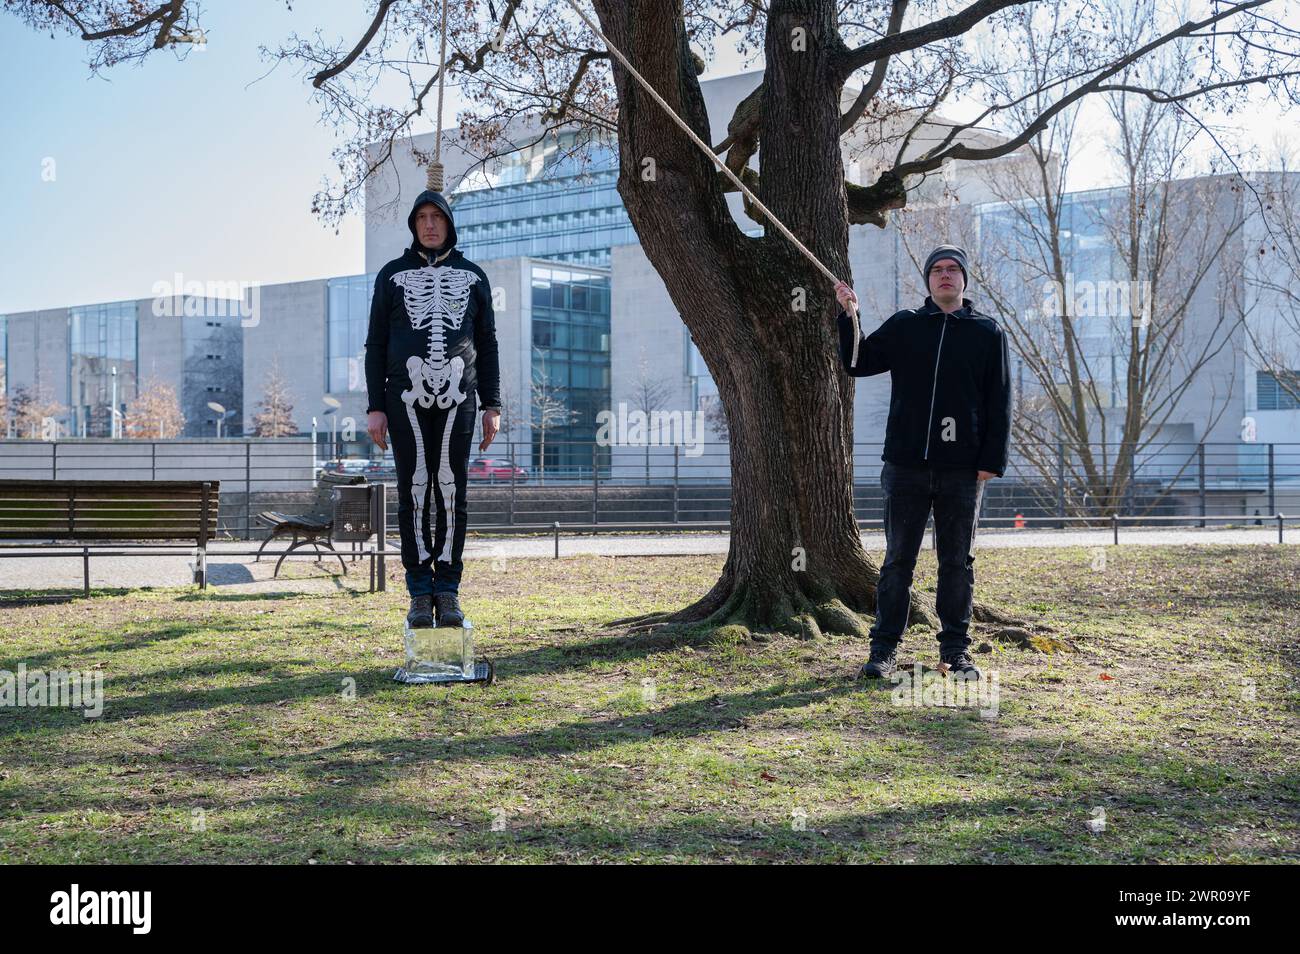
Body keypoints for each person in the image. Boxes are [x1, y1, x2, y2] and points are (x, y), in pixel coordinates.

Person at [834, 244, 1011, 680]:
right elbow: (857, 362)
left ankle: (955, 651)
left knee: (957, 562)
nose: (945, 275)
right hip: (905, 465)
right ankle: (883, 652)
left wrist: (991, 461)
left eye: (953, 270)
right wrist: (848, 315)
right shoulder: (906, 326)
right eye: (937, 270)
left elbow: (1000, 401)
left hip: (963, 470)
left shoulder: (987, 332)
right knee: (898, 561)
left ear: (965, 279)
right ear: (928, 280)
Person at [364, 188, 502, 629]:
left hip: (460, 396)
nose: (429, 224)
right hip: (403, 397)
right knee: (413, 491)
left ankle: (449, 589)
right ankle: (420, 593)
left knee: (452, 490)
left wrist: (492, 403)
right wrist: (374, 406)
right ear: (413, 224)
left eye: (436, 217)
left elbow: (488, 344)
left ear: (448, 224)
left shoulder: (473, 277)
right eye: (421, 217)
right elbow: (376, 345)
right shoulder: (391, 276)